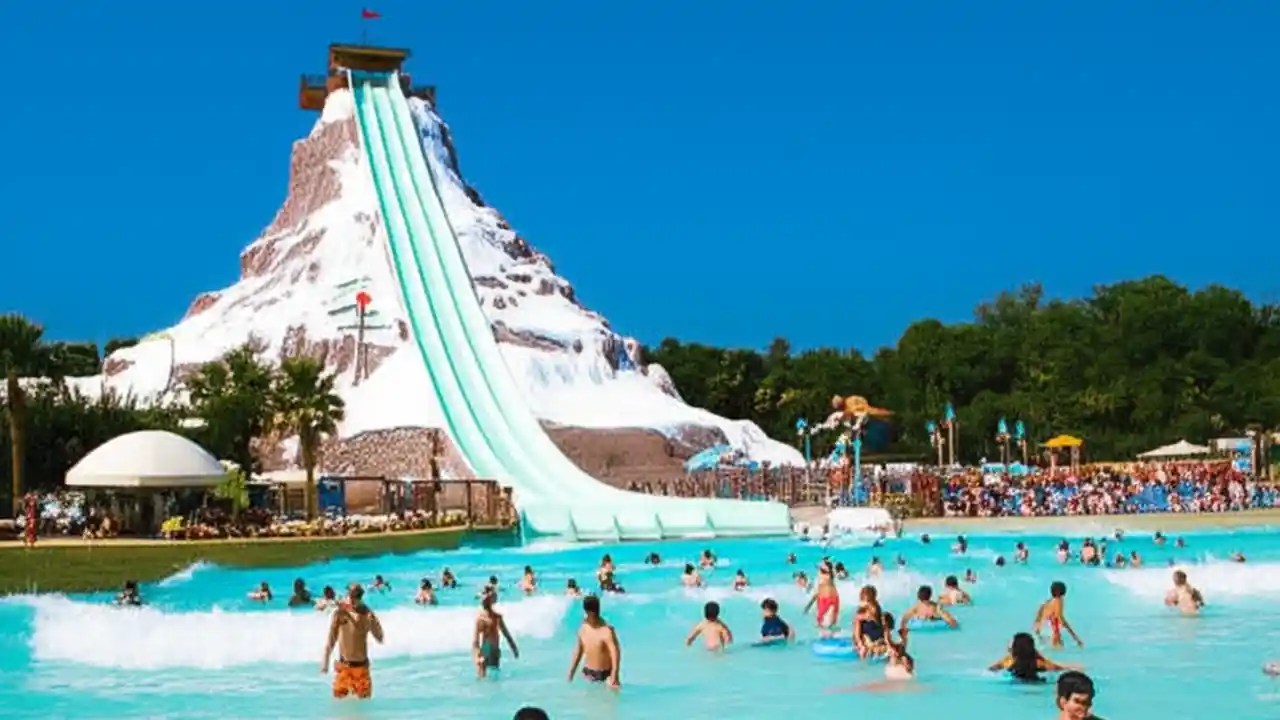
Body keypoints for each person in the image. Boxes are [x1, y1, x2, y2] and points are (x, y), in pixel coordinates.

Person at [322, 585, 385, 700]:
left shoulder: (367, 614)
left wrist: (372, 623)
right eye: (350, 596)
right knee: (338, 707)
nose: (351, 599)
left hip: (361, 669)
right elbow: (331, 639)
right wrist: (325, 662)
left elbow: (380, 638)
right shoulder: (340, 614)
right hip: (344, 667)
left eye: (356, 596)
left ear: (361, 597)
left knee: (364, 708)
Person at [567, 595, 621, 689]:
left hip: (605, 676)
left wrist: (614, 675)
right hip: (587, 673)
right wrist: (571, 672)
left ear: (588, 612)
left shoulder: (607, 631)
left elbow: (615, 653)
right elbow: (579, 651)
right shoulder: (583, 627)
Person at [989, 632, 1075, 683]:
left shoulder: (1008, 661)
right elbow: (1057, 668)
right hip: (1036, 683)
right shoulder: (1038, 663)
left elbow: (991, 669)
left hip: (1013, 682)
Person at [473, 593, 519, 678]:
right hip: (486, 648)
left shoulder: (497, 617)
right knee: (482, 675)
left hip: (495, 650)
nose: (484, 602)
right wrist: (476, 657)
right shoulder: (480, 619)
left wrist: (514, 648)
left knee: (495, 677)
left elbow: (506, 634)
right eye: (483, 600)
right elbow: (475, 641)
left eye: (487, 600)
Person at [1035, 581, 1084, 648]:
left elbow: (1038, 617)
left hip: (1044, 631)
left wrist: (1038, 633)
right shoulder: (1059, 600)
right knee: (1058, 649)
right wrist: (1075, 637)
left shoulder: (1047, 602)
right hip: (1053, 630)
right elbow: (1060, 618)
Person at [803, 560, 841, 637]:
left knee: (830, 623)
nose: (821, 566)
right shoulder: (820, 575)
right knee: (821, 623)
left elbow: (832, 572)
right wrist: (809, 605)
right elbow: (817, 592)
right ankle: (824, 639)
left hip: (832, 599)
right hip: (822, 600)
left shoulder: (830, 575)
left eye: (823, 565)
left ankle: (831, 637)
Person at [853, 585, 887, 658]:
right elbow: (858, 622)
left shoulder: (876, 608)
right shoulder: (861, 610)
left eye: (864, 600)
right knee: (857, 620)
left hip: (876, 637)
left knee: (858, 619)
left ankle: (867, 646)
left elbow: (875, 619)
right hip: (866, 638)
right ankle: (861, 645)